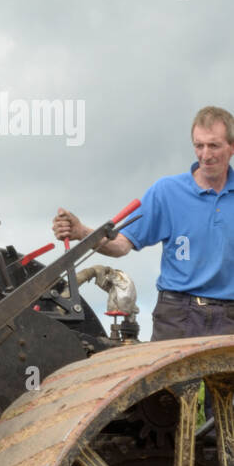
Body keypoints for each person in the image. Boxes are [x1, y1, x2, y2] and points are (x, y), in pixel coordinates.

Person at [52, 106, 234, 340]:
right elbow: (120, 245)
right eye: (199, 146)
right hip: (178, 316)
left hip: (229, 318)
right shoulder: (167, 192)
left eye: (214, 145)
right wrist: (82, 232)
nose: (205, 155)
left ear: (231, 147)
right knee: (179, 379)